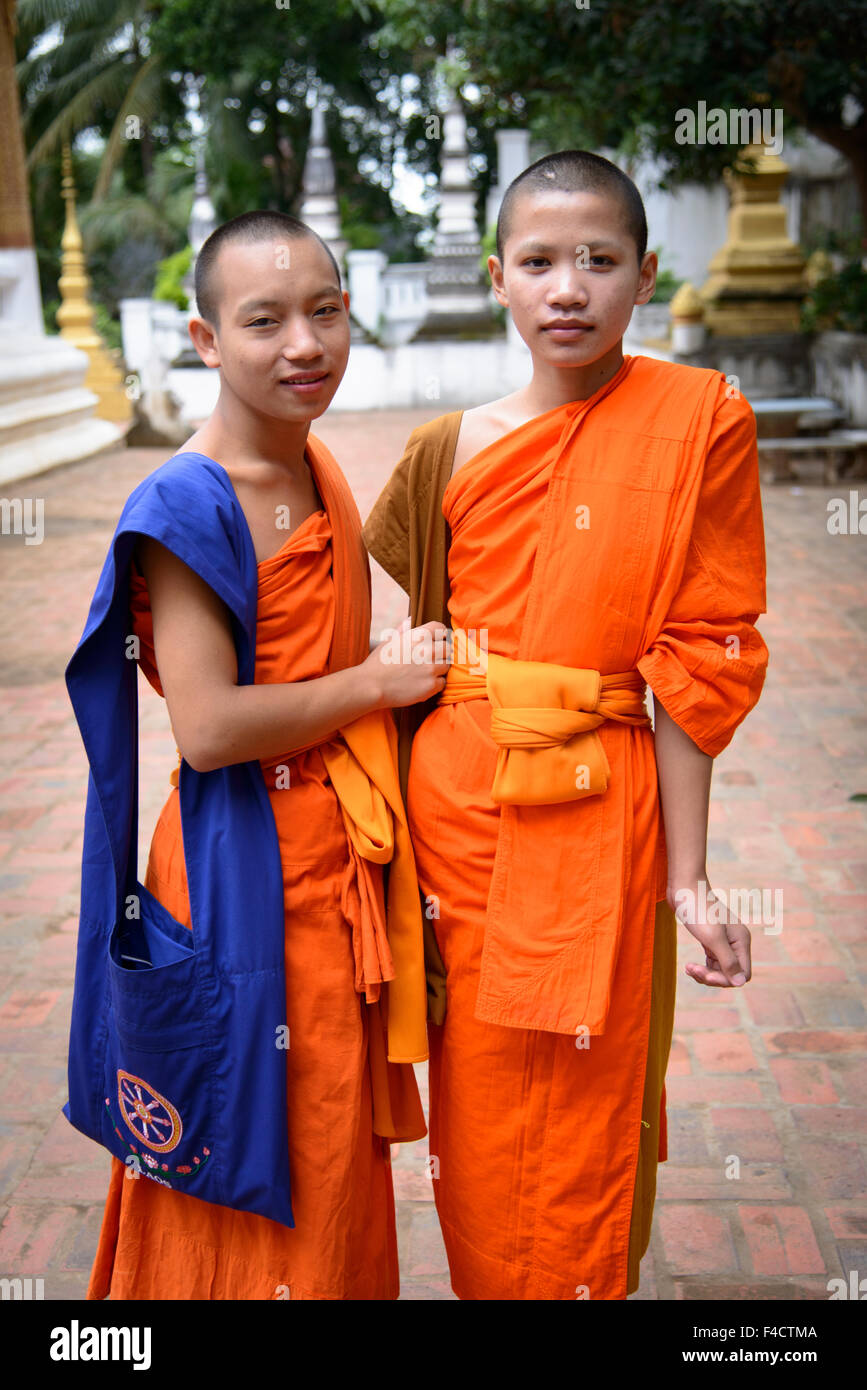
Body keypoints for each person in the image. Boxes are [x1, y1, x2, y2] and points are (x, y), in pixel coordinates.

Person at [362, 151, 769, 1300]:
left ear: (647, 277)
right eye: (539, 261)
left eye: (600, 260)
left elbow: (702, 659)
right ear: (498, 277)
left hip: (607, 810)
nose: (569, 287)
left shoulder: (701, 420)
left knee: (592, 1093)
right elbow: (417, 643)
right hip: (464, 813)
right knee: (485, 1101)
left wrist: (691, 878)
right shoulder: (448, 449)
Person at [74, 210, 450, 1300]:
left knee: (327, 1146)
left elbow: (302, 672)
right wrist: (378, 682)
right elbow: (209, 727)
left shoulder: (316, 464)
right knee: (236, 1129)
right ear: (204, 340)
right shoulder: (187, 502)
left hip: (333, 867)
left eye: (326, 312)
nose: (304, 344)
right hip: (242, 869)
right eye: (265, 321)